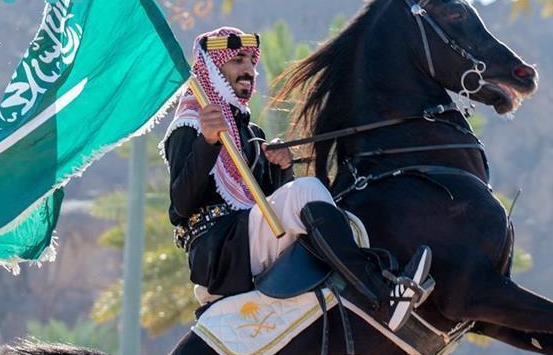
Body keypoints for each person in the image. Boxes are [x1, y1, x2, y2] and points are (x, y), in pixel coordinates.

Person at [161, 25, 430, 329]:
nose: (248, 69)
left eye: (251, 60)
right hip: (220, 249)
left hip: (248, 237)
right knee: (306, 190)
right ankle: (377, 297)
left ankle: (376, 277)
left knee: (332, 200)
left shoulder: (250, 135)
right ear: (212, 68)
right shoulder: (189, 125)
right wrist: (207, 143)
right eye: (237, 61)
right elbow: (181, 204)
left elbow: (267, 204)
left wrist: (281, 167)